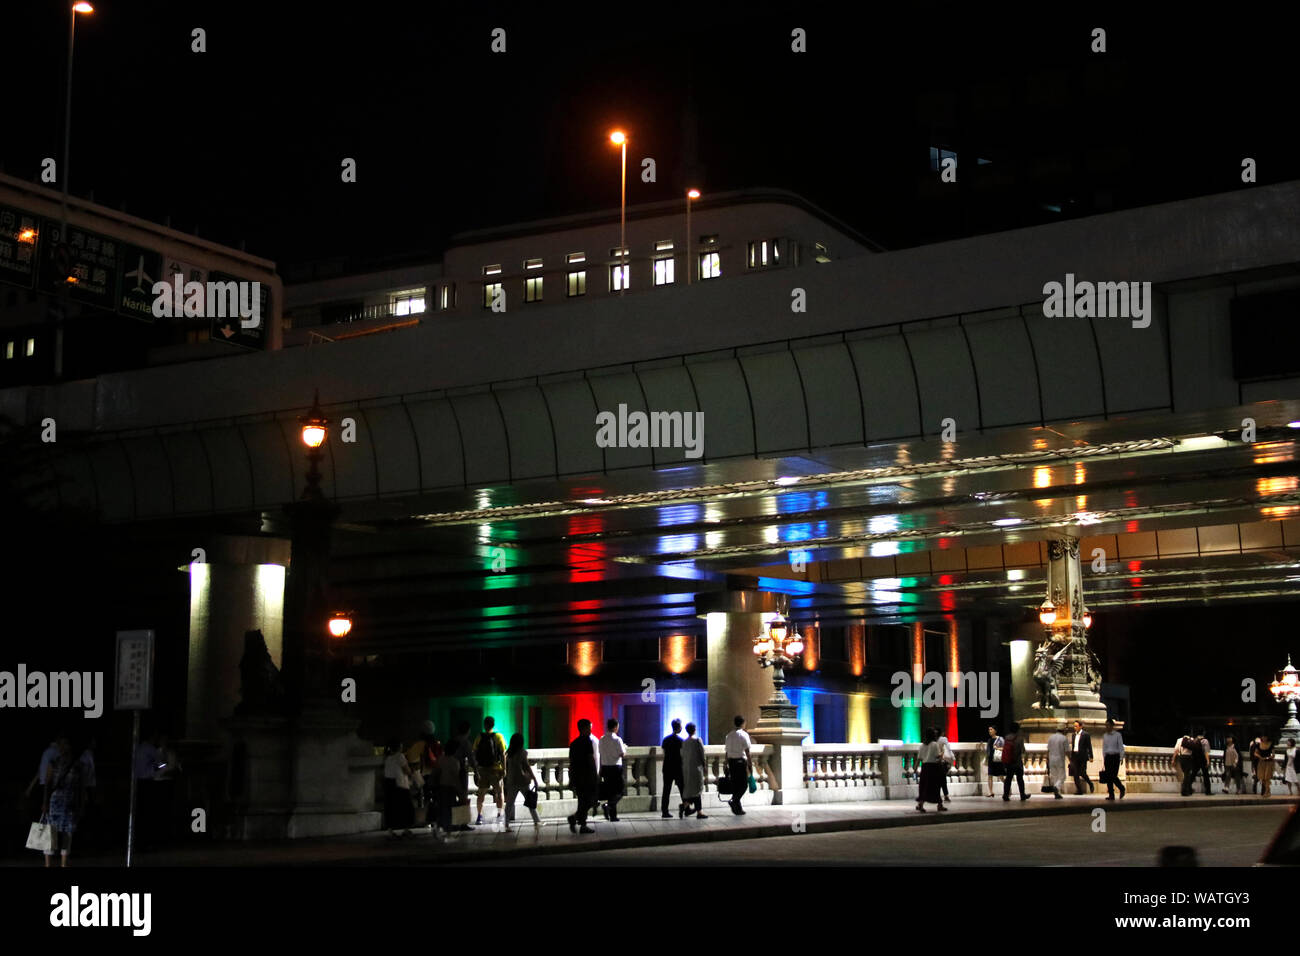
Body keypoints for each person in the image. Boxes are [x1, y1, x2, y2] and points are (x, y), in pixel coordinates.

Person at [42, 734, 87, 867]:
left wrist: (81, 804)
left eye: (65, 745)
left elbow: (81, 786)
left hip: (69, 801)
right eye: (61, 745)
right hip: (55, 802)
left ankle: (63, 863)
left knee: (67, 832)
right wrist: (45, 803)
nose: (63, 748)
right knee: (51, 832)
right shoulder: (54, 763)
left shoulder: (77, 765)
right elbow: (47, 783)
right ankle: (48, 863)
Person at [471, 716, 507, 828]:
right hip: (495, 769)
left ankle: (479, 816)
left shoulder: (479, 737)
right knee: (500, 792)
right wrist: (504, 769)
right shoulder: (499, 737)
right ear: (493, 725)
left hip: (482, 770)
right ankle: (500, 815)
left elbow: (474, 752)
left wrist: (476, 768)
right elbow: (503, 754)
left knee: (481, 793)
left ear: (484, 725)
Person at [567, 719, 599, 835]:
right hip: (587, 776)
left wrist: (571, 779)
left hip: (577, 776)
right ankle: (577, 820)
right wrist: (595, 775)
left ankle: (580, 823)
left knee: (582, 801)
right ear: (585, 728)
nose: (590, 729)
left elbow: (571, 763)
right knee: (589, 801)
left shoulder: (573, 744)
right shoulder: (587, 742)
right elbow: (590, 759)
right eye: (589, 727)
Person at [504, 733, 541, 829]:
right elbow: (527, 767)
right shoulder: (522, 753)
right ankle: (537, 821)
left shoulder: (509, 753)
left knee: (509, 804)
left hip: (512, 781)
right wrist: (534, 778)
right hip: (522, 781)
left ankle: (506, 824)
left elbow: (507, 768)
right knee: (530, 802)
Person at [382, 738, 415, 837]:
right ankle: (406, 829)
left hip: (389, 784)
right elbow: (406, 770)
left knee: (391, 807)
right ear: (399, 747)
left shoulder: (387, 758)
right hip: (400, 784)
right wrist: (412, 773)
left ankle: (390, 830)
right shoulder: (400, 756)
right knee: (406, 807)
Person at [598, 718, 628, 822]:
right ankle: (608, 805)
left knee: (611, 792)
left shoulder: (601, 739)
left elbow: (600, 754)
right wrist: (624, 748)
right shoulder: (617, 739)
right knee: (621, 790)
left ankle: (613, 815)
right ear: (615, 727)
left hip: (605, 768)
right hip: (616, 767)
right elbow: (622, 754)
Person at [724, 715, 753, 815]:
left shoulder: (729, 735)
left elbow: (727, 752)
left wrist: (725, 763)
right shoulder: (744, 735)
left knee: (736, 785)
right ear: (743, 723)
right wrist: (750, 764)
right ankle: (734, 800)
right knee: (744, 785)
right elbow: (747, 751)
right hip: (740, 762)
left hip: (732, 763)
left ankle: (738, 809)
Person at [915, 727, 948, 813]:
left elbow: (919, 759)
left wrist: (915, 770)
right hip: (934, 768)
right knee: (935, 787)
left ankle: (920, 804)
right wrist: (942, 753)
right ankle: (939, 805)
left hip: (924, 767)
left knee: (924, 787)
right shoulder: (934, 744)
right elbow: (938, 757)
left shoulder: (922, 745)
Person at [435, 738, 462, 840]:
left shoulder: (441, 759)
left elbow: (437, 772)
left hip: (441, 786)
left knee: (442, 809)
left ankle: (438, 829)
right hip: (450, 788)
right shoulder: (454, 762)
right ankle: (448, 834)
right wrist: (460, 791)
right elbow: (456, 777)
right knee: (450, 811)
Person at [680, 722, 707, 819]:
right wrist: (704, 766)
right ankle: (697, 811)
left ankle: (686, 805)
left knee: (691, 789)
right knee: (698, 789)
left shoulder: (684, 742)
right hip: (697, 768)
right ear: (695, 729)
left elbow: (682, 755)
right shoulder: (697, 740)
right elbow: (702, 754)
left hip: (687, 768)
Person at [660, 719, 685, 818]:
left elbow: (664, 753)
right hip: (678, 768)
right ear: (679, 727)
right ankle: (686, 807)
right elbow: (683, 755)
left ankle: (664, 811)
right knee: (682, 789)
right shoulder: (681, 741)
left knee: (666, 790)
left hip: (667, 767)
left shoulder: (665, 739)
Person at [1002, 722, 1029, 801]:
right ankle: (1022, 795)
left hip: (1008, 762)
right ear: (1017, 729)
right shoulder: (1019, 739)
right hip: (1017, 762)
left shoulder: (1006, 738)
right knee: (1020, 779)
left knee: (1008, 779)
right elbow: (1023, 750)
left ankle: (1005, 795)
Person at [1101, 718, 1126, 800]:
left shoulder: (1117, 735)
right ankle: (1111, 794)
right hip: (1108, 756)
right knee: (1108, 776)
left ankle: (1121, 788)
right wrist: (1104, 757)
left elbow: (1120, 746)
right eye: (1106, 725)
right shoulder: (1105, 735)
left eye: (1108, 725)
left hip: (1115, 757)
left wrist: (1121, 757)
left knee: (1113, 775)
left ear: (1112, 726)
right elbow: (1104, 747)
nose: (1107, 727)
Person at [1069, 720, 1094, 794]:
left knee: (1082, 773)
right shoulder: (1073, 735)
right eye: (1074, 726)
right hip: (1075, 756)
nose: (1075, 727)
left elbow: (1089, 746)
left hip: (1082, 756)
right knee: (1075, 774)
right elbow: (1074, 746)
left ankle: (1090, 783)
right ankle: (1079, 790)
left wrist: (1091, 756)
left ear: (1080, 726)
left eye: (1076, 726)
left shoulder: (1086, 734)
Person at [1047, 726, 1069, 799]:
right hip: (1059, 759)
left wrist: (1047, 760)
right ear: (1063, 731)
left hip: (1051, 759)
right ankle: (1056, 787)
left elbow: (1048, 750)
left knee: (1055, 777)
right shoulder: (1064, 738)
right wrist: (1071, 760)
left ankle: (1057, 793)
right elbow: (1067, 751)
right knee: (1062, 776)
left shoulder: (1051, 737)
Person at [986, 726, 1004, 797]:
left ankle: (1008, 789)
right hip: (991, 760)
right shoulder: (989, 740)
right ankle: (991, 792)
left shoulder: (1000, 739)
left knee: (1001, 777)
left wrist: (998, 748)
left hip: (998, 760)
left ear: (995, 731)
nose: (989, 731)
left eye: (991, 729)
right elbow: (988, 751)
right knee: (990, 775)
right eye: (989, 729)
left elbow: (1005, 748)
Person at [937, 733, 954, 802]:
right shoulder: (943, 740)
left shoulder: (934, 741)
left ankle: (941, 796)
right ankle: (945, 796)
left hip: (938, 763)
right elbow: (948, 750)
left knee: (940, 781)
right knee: (942, 781)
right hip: (942, 763)